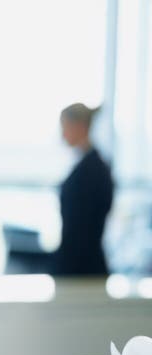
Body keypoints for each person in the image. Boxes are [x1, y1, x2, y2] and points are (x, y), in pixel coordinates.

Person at [55, 103, 114, 276]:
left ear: (79, 126)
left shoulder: (92, 171)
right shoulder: (89, 166)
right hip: (81, 262)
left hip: (82, 267)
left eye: (64, 126)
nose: (62, 134)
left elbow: (83, 230)